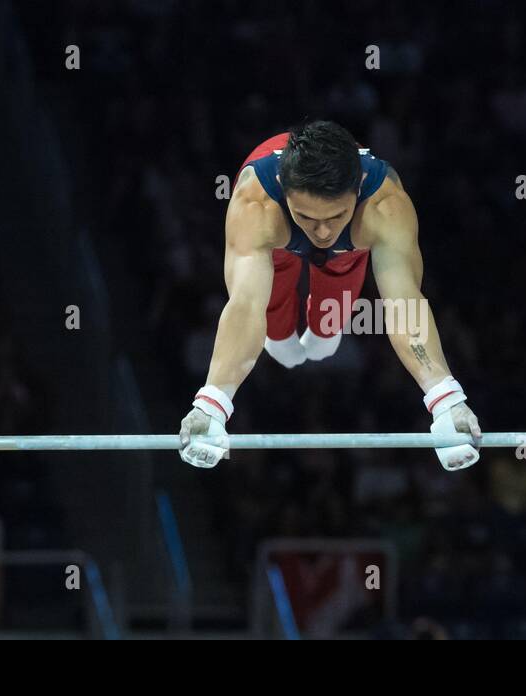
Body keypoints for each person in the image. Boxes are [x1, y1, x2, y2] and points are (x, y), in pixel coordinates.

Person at [178, 120, 481, 471]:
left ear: (359, 188)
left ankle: (326, 327)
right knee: (277, 335)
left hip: (346, 243)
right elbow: (245, 306)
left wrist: (445, 397)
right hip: (276, 238)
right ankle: (290, 329)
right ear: (282, 188)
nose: (322, 231)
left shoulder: (383, 205)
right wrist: (212, 402)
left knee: (329, 322)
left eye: (336, 215)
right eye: (306, 216)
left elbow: (404, 305)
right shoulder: (256, 204)